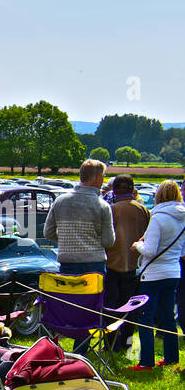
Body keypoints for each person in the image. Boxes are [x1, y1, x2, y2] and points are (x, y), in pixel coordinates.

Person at [129, 181, 185, 371]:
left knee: (146, 318)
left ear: (159, 195)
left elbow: (150, 250)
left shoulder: (158, 217)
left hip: (153, 274)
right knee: (168, 317)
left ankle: (146, 362)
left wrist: (137, 245)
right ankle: (171, 358)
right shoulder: (182, 216)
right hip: (173, 271)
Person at [44, 159, 114, 276]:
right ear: (98, 177)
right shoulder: (103, 205)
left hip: (67, 262)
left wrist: (67, 239)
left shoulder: (60, 201)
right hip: (94, 263)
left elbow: (48, 232)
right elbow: (108, 241)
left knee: (69, 294)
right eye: (103, 176)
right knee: (92, 295)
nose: (103, 180)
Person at [106, 174, 150, 349]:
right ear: (132, 190)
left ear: (114, 190)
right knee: (131, 307)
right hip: (135, 266)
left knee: (111, 307)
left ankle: (110, 343)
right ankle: (127, 342)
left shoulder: (111, 209)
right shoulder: (143, 210)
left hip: (111, 265)